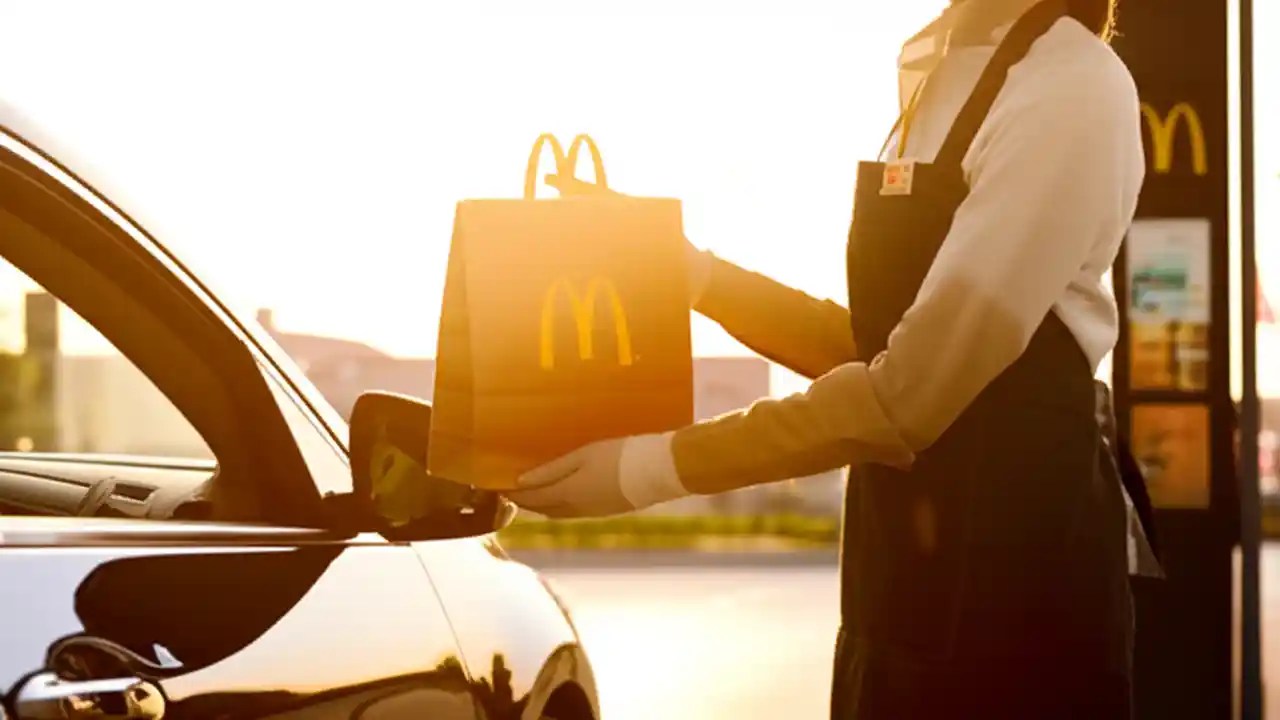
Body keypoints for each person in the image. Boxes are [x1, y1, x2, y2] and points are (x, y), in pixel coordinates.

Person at [508, 0, 1143, 716]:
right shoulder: (938, 73)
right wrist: (691, 275)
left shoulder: (1071, 86)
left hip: (1020, 603)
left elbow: (905, 396)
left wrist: (643, 469)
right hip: (897, 590)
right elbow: (875, 351)